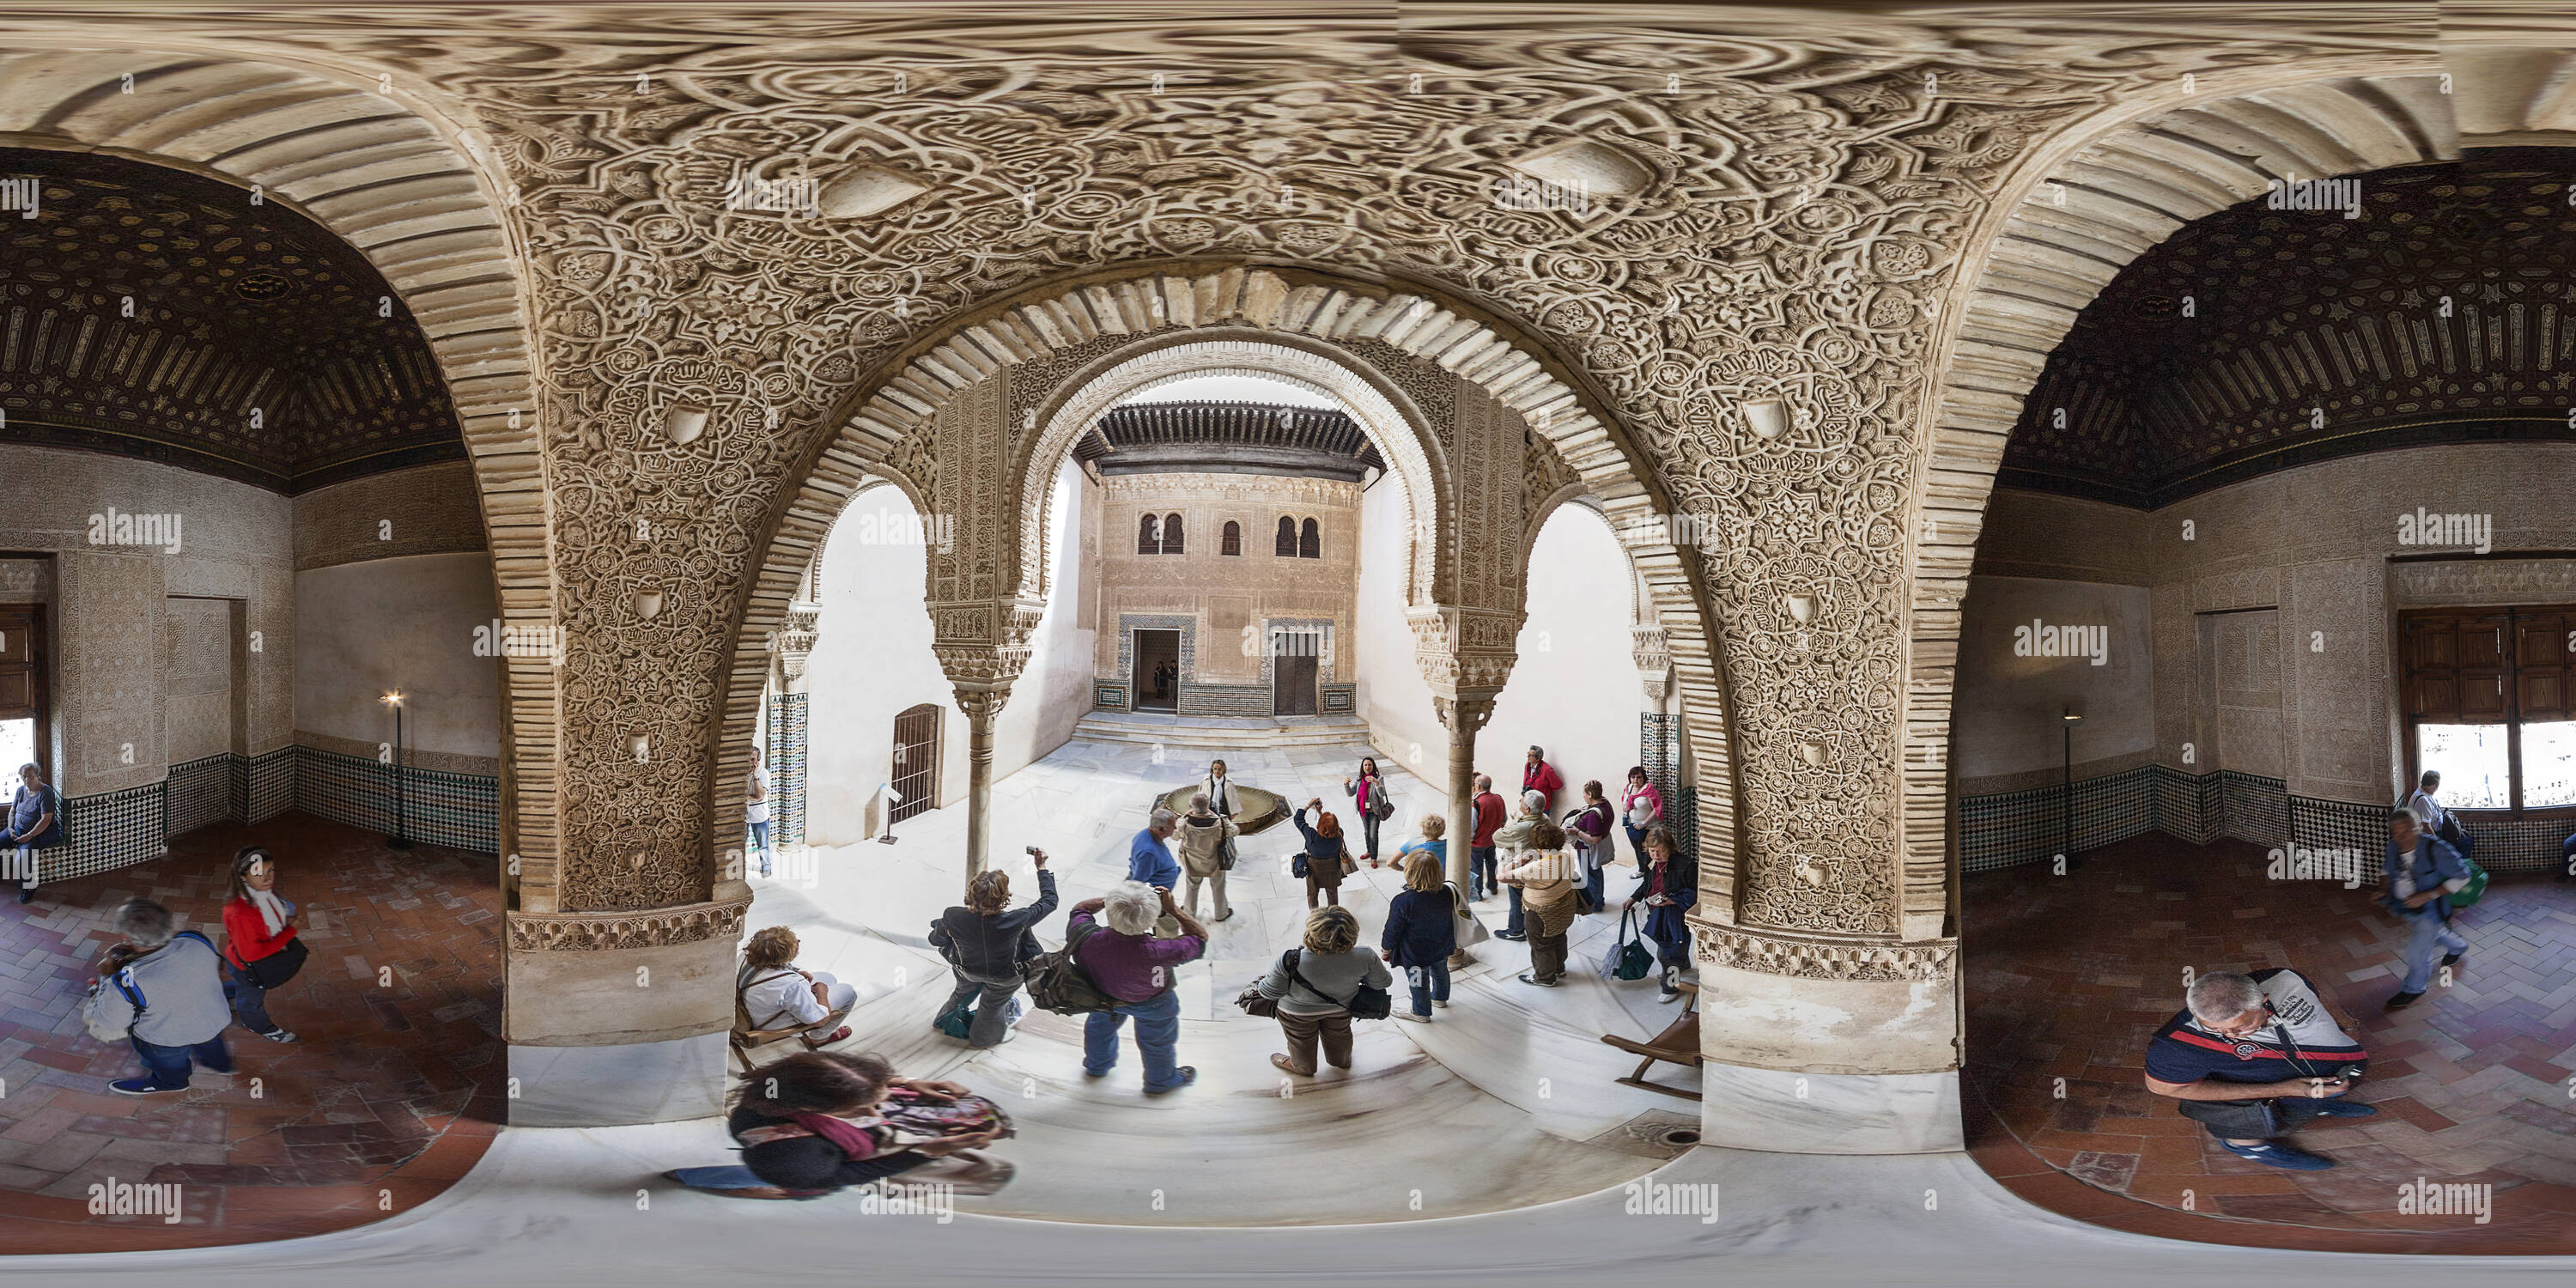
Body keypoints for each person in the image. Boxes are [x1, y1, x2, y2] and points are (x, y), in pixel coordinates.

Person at [667, 1051, 1009, 1200]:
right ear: (815, 1109)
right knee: (783, 1183)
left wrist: (908, 1082)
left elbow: (847, 1080)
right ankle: (762, 1189)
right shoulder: (792, 1154)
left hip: (805, 1153)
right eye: (869, 1105)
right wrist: (929, 1150)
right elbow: (843, 1176)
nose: (883, 1106)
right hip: (804, 1171)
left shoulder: (790, 1083)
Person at [2142, 969, 2373, 1171]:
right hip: (2260, 1094)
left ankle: (2318, 1104)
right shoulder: (2177, 1047)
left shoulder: (2284, 979)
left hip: (2311, 1078)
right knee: (2246, 1121)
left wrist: (2346, 1024)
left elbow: (2317, 996)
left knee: (2312, 1098)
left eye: (2241, 1026)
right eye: (2214, 1029)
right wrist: (2282, 1089)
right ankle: (2247, 1147)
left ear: (2264, 1001)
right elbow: (2162, 1088)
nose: (2230, 1036)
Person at [1071, 880, 1207, 1095]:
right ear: (1151, 919)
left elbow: (1081, 908)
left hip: (1100, 996)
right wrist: (1173, 910)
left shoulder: (1086, 935)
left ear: (1109, 912)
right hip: (1153, 1003)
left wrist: (1116, 901)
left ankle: (1097, 1066)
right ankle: (1160, 1081)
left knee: (1099, 1029)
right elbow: (1200, 938)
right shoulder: (1163, 950)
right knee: (1157, 1042)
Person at [90, 898, 234, 1095]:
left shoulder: (127, 982)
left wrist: (107, 974)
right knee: (211, 1045)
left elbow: (110, 1022)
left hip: (165, 1038)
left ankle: (172, 1084)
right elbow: (212, 965)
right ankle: (222, 1066)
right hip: (212, 1020)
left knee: (170, 1064)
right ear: (168, 925)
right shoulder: (196, 940)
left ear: (125, 937)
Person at [928, 849, 1057, 1048]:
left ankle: (942, 1020)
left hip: (967, 971)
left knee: (961, 992)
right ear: (1004, 896)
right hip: (1004, 977)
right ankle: (984, 1038)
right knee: (991, 1005)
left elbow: (935, 940)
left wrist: (943, 926)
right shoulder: (1017, 919)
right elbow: (1049, 901)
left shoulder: (953, 916)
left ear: (970, 892)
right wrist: (1041, 867)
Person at [1258, 905, 1392, 1076]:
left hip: (1296, 1013)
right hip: (1342, 1008)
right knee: (1340, 1035)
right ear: (1352, 932)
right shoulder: (1365, 955)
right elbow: (1383, 982)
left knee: (1300, 1040)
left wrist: (1262, 982)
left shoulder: (1290, 959)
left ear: (1311, 932)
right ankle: (1341, 1060)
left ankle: (1303, 1067)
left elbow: (1269, 993)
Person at [2384, 805, 2470, 1010]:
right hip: (2405, 907)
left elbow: (2463, 876)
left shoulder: (2436, 849)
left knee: (2417, 952)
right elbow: (2387, 869)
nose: (2401, 837)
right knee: (2435, 933)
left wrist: (2428, 895)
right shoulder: (2393, 846)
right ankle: (2458, 947)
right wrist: (2384, 889)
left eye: (2407, 830)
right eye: (2396, 832)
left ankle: (2414, 988)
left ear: (2418, 828)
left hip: (2431, 909)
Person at [219, 847, 301, 1043]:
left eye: (270, 870)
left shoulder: (259, 892)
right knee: (251, 999)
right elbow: (251, 955)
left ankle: (217, 995)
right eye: (258, 873)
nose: (268, 879)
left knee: (243, 986)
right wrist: (291, 931)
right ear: (243, 876)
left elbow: (269, 914)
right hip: (248, 966)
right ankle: (257, 1025)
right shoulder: (242, 912)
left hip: (238, 959)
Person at [738, 927, 855, 1047]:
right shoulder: (792, 984)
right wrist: (822, 993)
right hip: (767, 1023)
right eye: (795, 945)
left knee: (829, 977)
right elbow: (821, 1020)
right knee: (849, 993)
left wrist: (793, 972)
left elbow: (766, 978)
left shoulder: (745, 956)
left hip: (752, 1008)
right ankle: (820, 1038)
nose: (798, 942)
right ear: (784, 955)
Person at [1382, 849, 1458, 1023]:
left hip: (1415, 954)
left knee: (1418, 983)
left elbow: (1392, 931)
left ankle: (1421, 1012)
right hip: (1441, 946)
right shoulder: (1447, 891)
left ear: (1409, 872)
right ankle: (1439, 998)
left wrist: (1386, 950)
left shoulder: (1403, 901)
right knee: (1441, 973)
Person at [1502, 821, 1580, 987]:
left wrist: (1519, 860)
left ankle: (1545, 977)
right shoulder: (1568, 855)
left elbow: (1502, 876)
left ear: (1538, 845)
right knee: (1559, 936)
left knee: (1541, 945)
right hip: (1564, 906)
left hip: (1541, 913)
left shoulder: (1537, 867)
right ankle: (1559, 968)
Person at [1633, 824, 1698, 1002]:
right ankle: (1682, 966)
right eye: (1652, 851)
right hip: (1657, 912)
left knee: (1666, 954)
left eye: (1660, 851)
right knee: (1675, 950)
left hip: (1675, 915)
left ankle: (1670, 987)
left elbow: (1696, 891)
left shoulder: (1686, 865)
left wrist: (1674, 900)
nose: (1656, 855)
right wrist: (1634, 898)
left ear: (1669, 848)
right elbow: (1647, 883)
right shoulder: (1651, 861)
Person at [1489, 790, 1548, 942]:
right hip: (1536, 866)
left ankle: (1516, 931)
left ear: (1527, 809)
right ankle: (1533, 926)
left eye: (1522, 801)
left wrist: (1515, 821)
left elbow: (1497, 837)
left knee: (1516, 900)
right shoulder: (1545, 818)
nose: (1520, 802)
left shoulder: (1521, 827)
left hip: (1520, 867)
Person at [1176, 792, 1239, 922]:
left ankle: (1189, 913)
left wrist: (1185, 815)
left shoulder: (1183, 823)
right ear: (1208, 805)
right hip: (1215, 863)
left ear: (1192, 807)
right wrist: (1217, 816)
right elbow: (1235, 831)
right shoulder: (1221, 821)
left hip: (1192, 863)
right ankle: (1221, 914)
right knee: (1218, 887)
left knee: (1192, 887)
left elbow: (1174, 836)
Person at [9, 762, 61, 905]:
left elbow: (46, 819)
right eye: (24, 777)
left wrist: (29, 835)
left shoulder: (45, 792)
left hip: (34, 833)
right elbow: (12, 812)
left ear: (38, 776)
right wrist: (10, 829)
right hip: (16, 830)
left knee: (22, 859)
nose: (26, 780)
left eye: (30, 777)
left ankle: (29, 889)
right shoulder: (21, 790)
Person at [1128, 806, 1182, 935]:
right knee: (1169, 925)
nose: (1175, 829)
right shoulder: (1148, 852)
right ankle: (1169, 948)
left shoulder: (1145, 834)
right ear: (1160, 829)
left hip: (1159, 891)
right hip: (1156, 896)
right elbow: (1139, 881)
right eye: (1173, 826)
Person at [1291, 798, 1353, 909]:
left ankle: (1315, 915)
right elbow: (1330, 828)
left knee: (1312, 893)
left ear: (1319, 825)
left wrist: (1308, 805)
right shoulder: (1340, 834)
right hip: (1333, 869)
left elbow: (1298, 819)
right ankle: (1333, 914)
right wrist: (1320, 812)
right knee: (1332, 892)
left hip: (1314, 870)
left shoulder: (1312, 835)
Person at [1565, 781, 1616, 914]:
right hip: (1597, 848)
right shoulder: (1605, 803)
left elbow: (1595, 839)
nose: (1583, 796)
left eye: (1584, 793)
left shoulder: (1594, 814)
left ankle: (1594, 904)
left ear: (1590, 794)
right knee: (1596, 872)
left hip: (1587, 849)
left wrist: (1576, 831)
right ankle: (1599, 900)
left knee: (1590, 875)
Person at [2399, 769, 2471, 857]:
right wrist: (2437, 843)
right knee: (2465, 842)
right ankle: (2459, 867)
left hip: (2440, 829)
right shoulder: (2423, 800)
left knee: (2464, 836)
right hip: (2436, 834)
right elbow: (2425, 826)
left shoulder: (2423, 792)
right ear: (2435, 786)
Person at [1343, 757, 1389, 866]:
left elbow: (1382, 794)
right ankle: (1369, 851)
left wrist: (1376, 783)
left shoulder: (1379, 778)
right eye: (1365, 765)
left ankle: (1374, 857)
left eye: (1370, 765)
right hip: (1363, 811)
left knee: (1373, 834)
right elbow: (1351, 793)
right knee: (1367, 832)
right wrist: (1346, 785)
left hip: (1375, 811)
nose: (1368, 767)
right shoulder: (1359, 779)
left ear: (1373, 766)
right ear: (1362, 767)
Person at [1468, 774, 1506, 902]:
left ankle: (1477, 892)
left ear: (1478, 786)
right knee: (1492, 864)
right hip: (1493, 840)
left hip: (1478, 843)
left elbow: (1472, 826)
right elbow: (1504, 819)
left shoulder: (1476, 803)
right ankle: (1493, 886)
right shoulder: (1499, 798)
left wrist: (1470, 841)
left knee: (1476, 868)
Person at [1620, 767, 1664, 866]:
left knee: (1644, 851)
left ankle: (1646, 871)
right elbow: (1624, 801)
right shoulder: (1629, 788)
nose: (1635, 780)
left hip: (1645, 826)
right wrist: (1625, 807)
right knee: (1636, 847)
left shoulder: (1649, 790)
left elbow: (1656, 809)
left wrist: (1644, 823)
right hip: (1630, 824)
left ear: (1643, 777)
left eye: (1639, 777)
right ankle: (1642, 870)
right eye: (1633, 777)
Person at [747, 756, 772, 878]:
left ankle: (766, 868)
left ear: (758, 760)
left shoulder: (764, 773)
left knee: (762, 844)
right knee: (740, 842)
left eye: (753, 759)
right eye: (748, 759)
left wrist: (756, 776)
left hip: (760, 814)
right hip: (744, 814)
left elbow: (759, 796)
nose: (750, 762)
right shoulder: (742, 773)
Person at [1522, 745, 1564, 811]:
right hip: (1528, 805)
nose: (1528, 756)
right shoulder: (1528, 766)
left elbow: (1558, 785)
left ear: (1538, 758)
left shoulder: (1547, 770)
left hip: (1541, 808)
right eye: (1528, 754)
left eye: (1530, 755)